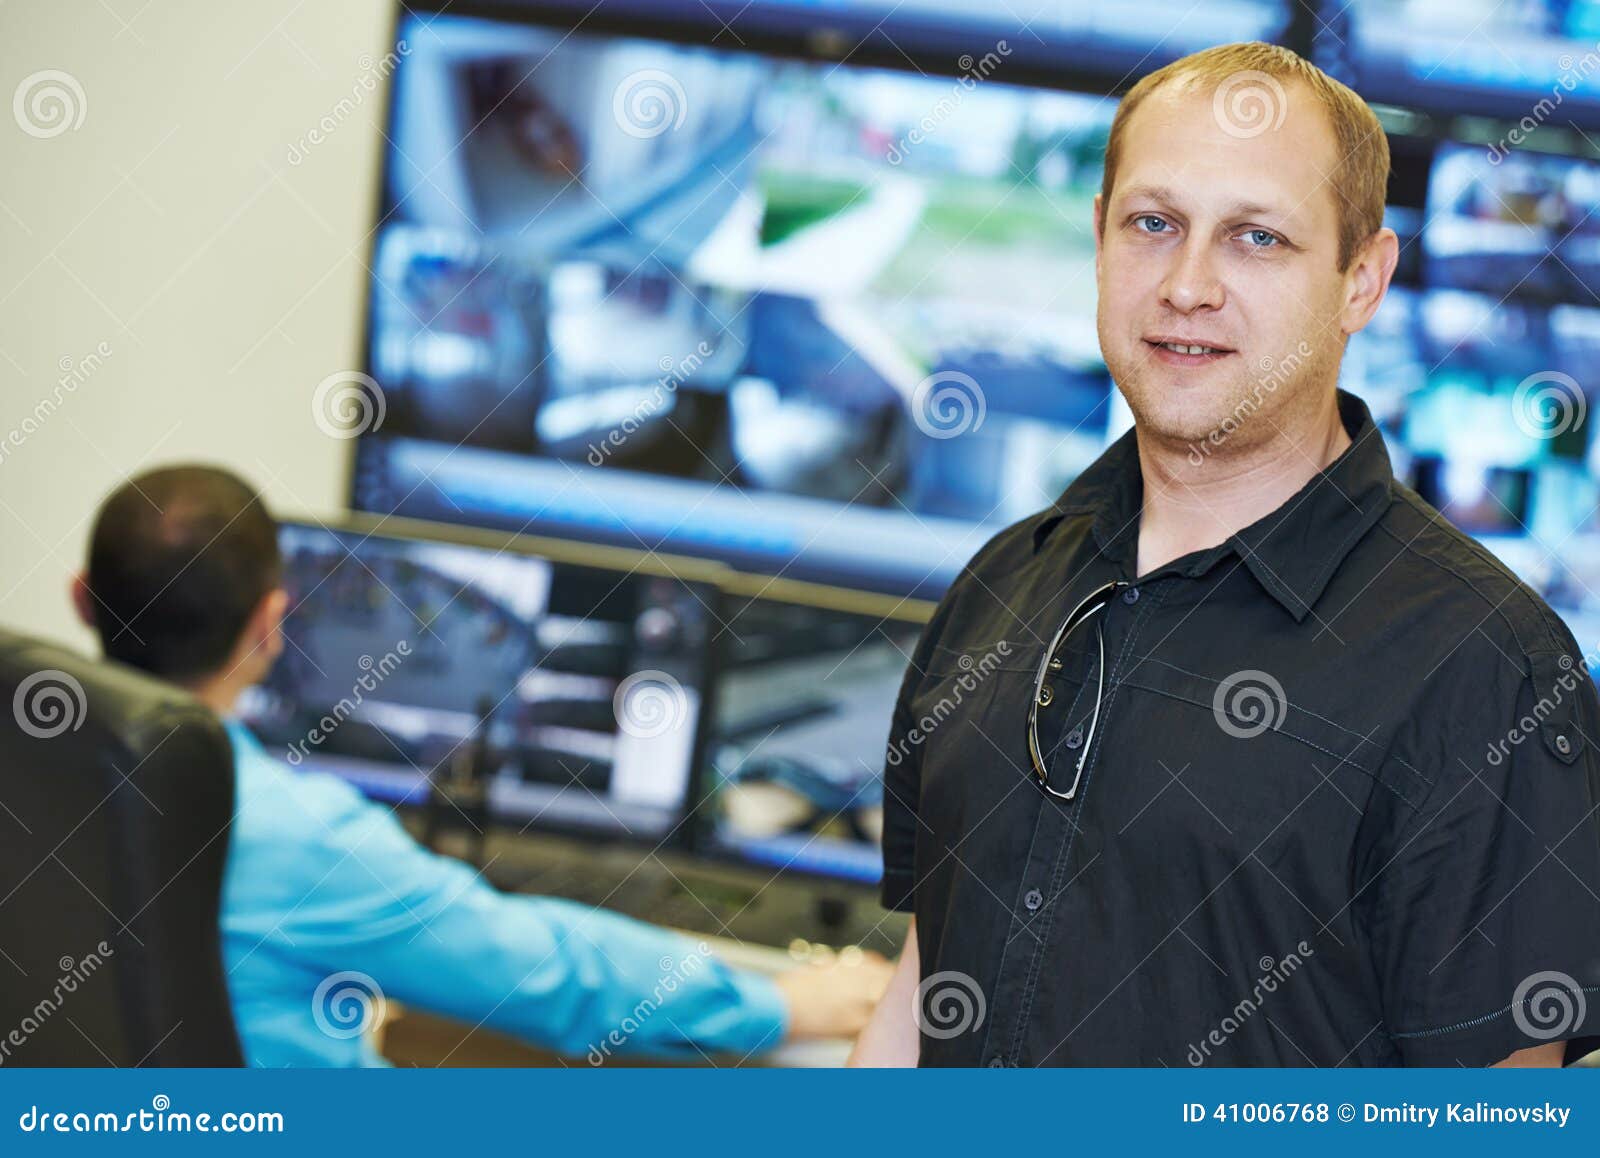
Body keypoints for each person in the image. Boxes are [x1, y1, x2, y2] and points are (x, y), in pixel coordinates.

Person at [850, 42, 1600, 1067]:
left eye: (1255, 237)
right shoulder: (1002, 587)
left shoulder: (1484, 670)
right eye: (1152, 224)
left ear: (1360, 282)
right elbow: (918, 998)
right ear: (1101, 245)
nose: (1187, 285)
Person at [72, 465, 888, 1067]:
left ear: (81, 599)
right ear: (270, 626)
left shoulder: (32, 782)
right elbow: (546, 974)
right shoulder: (293, 835)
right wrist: (779, 1003)